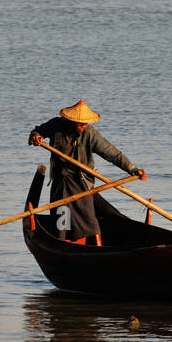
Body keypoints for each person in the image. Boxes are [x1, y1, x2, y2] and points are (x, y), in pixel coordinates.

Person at [28, 100, 145, 246]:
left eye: (85, 123)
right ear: (71, 121)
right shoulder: (56, 126)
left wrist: (132, 169)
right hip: (61, 183)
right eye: (80, 124)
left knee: (90, 221)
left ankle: (98, 249)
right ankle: (61, 246)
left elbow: (112, 154)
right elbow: (37, 131)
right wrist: (35, 136)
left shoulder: (89, 133)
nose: (83, 126)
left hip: (82, 183)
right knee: (62, 219)